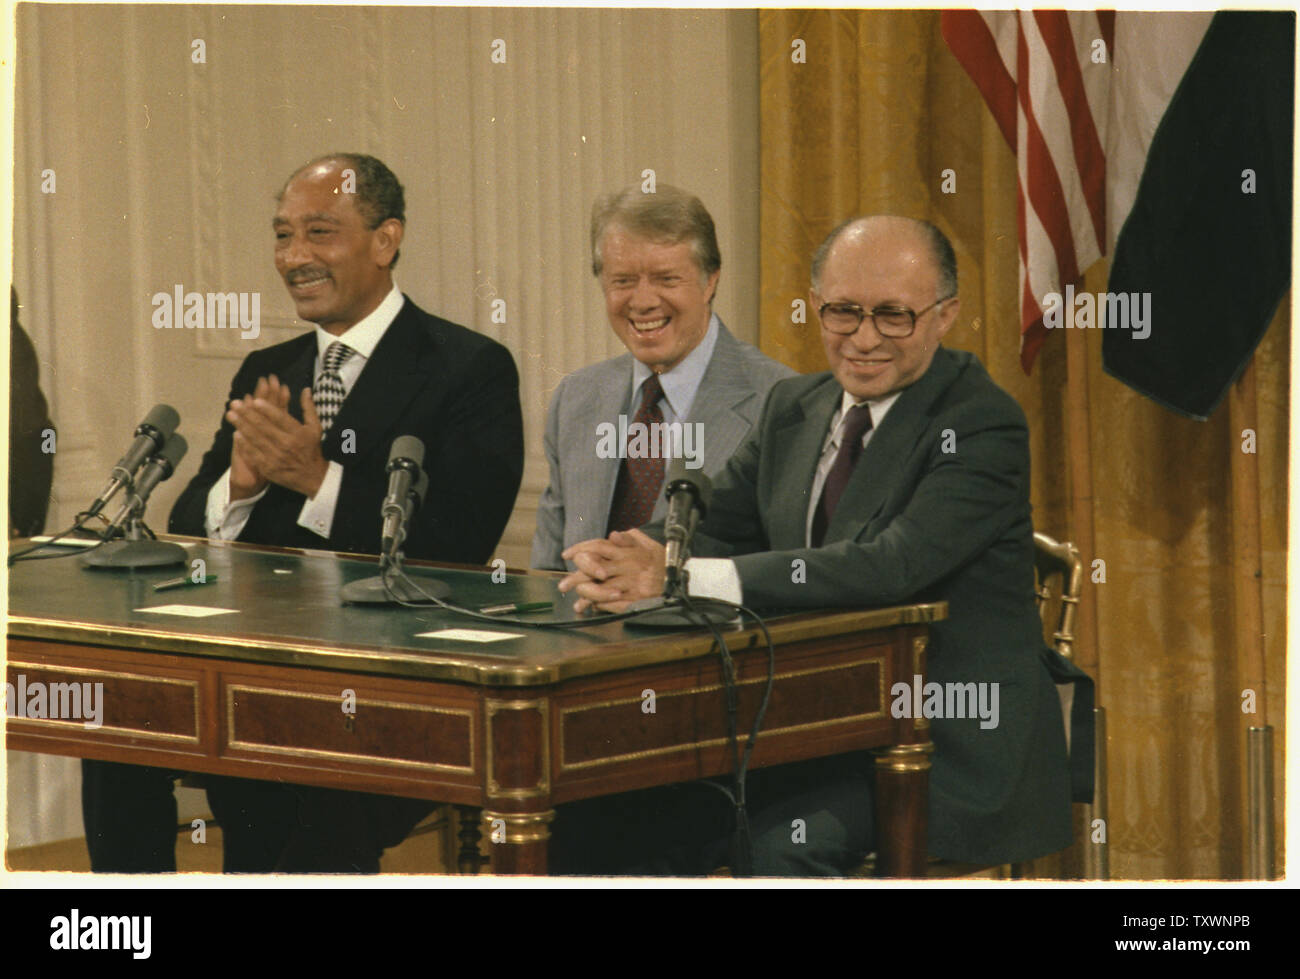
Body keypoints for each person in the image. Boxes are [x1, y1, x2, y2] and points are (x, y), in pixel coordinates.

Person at [555, 216, 1093, 876]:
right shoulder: (793, 406)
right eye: (843, 311)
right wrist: (625, 561)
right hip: (802, 731)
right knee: (596, 813)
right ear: (817, 307)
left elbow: (891, 565)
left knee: (778, 846)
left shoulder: (980, 422)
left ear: (945, 315)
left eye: (894, 315)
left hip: (939, 745)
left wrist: (679, 575)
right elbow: (710, 527)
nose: (864, 338)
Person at [81, 153, 524, 873]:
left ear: (386, 241)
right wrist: (245, 485)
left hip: (383, 689)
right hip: (254, 675)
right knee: (115, 734)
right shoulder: (273, 367)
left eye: (320, 233)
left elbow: (458, 546)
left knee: (301, 795)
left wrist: (318, 479)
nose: (294, 258)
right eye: (283, 236)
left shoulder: (467, 368)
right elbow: (192, 525)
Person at [530, 184, 792, 571]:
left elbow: (782, 570)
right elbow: (548, 575)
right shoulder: (576, 397)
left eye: (666, 279)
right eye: (623, 281)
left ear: (710, 281)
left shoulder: (779, 401)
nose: (643, 301)